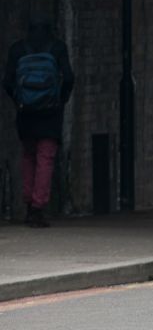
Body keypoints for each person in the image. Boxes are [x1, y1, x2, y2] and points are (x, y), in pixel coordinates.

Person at [3, 20, 75, 227]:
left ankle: (28, 204)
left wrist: (19, 101)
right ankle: (37, 208)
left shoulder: (18, 48)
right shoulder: (58, 47)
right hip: (50, 112)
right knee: (46, 157)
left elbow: (7, 81)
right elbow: (69, 77)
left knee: (28, 156)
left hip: (26, 112)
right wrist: (61, 99)